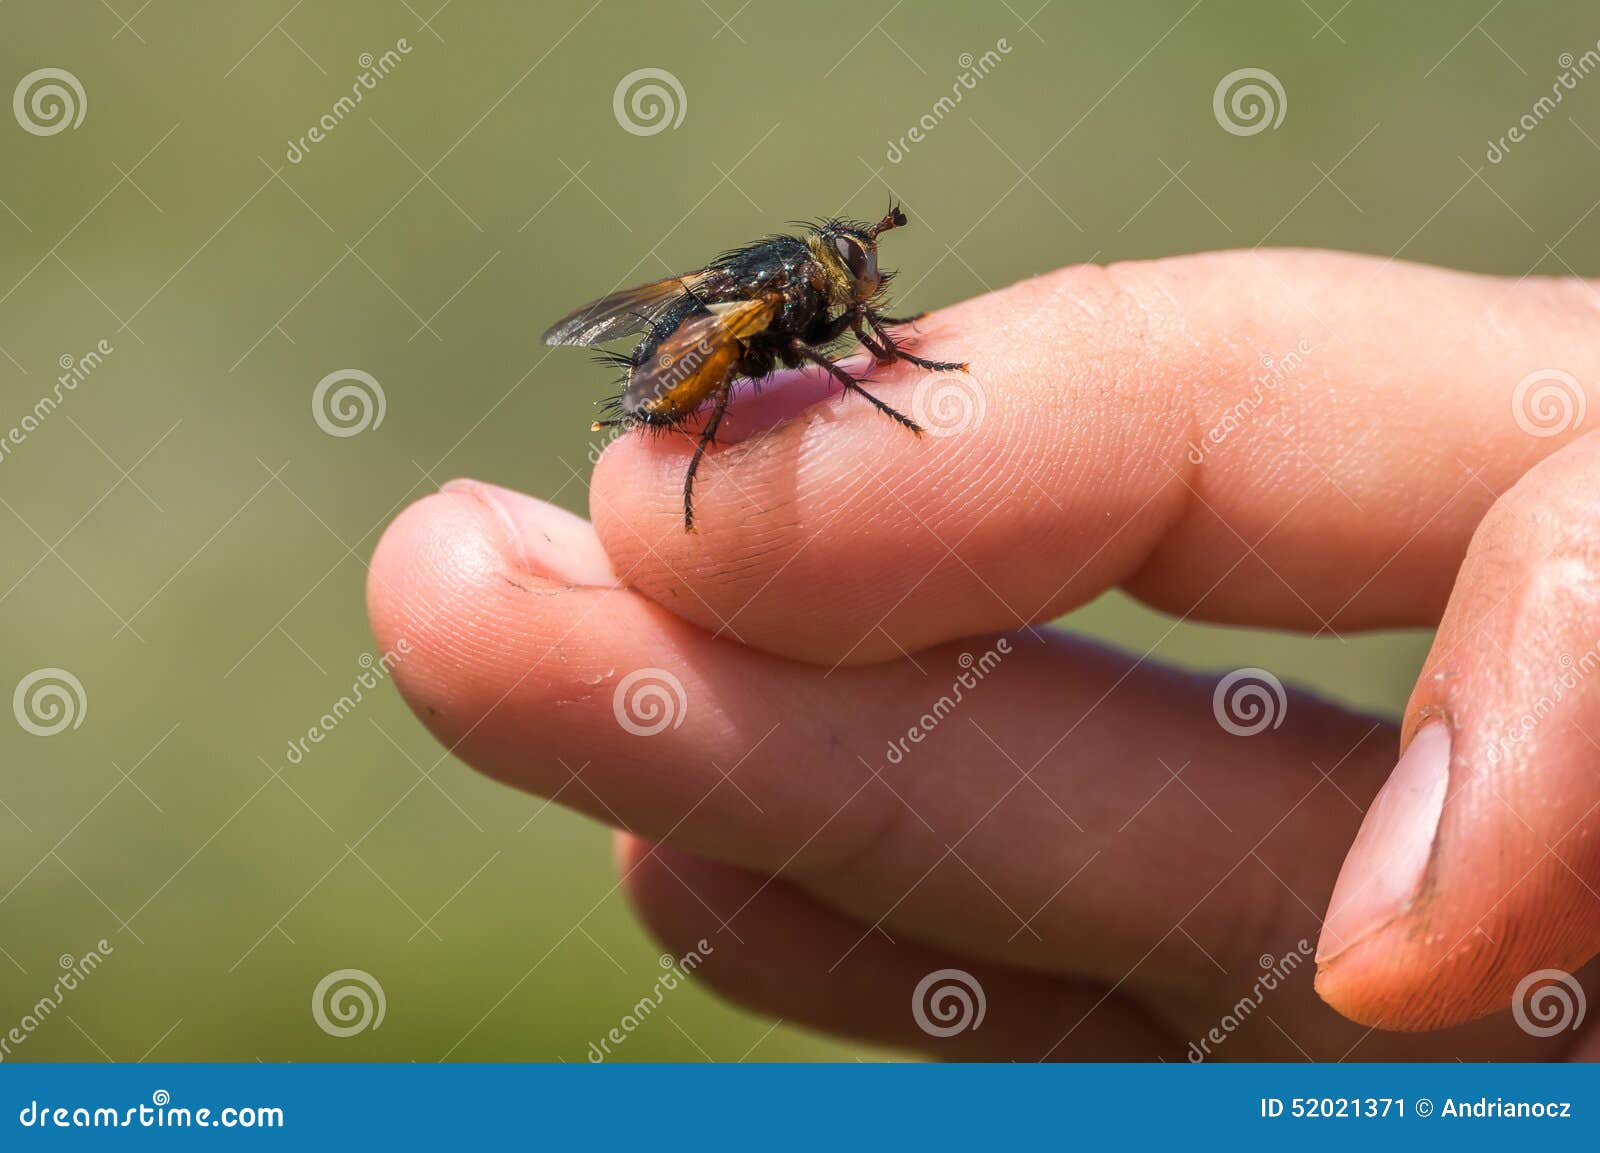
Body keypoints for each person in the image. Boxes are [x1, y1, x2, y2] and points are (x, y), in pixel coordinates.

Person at [366, 249, 1600, 1060]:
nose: (861, 292)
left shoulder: (762, 299)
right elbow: (750, 347)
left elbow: (751, 340)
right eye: (852, 278)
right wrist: (804, 391)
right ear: (814, 287)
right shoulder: (765, 310)